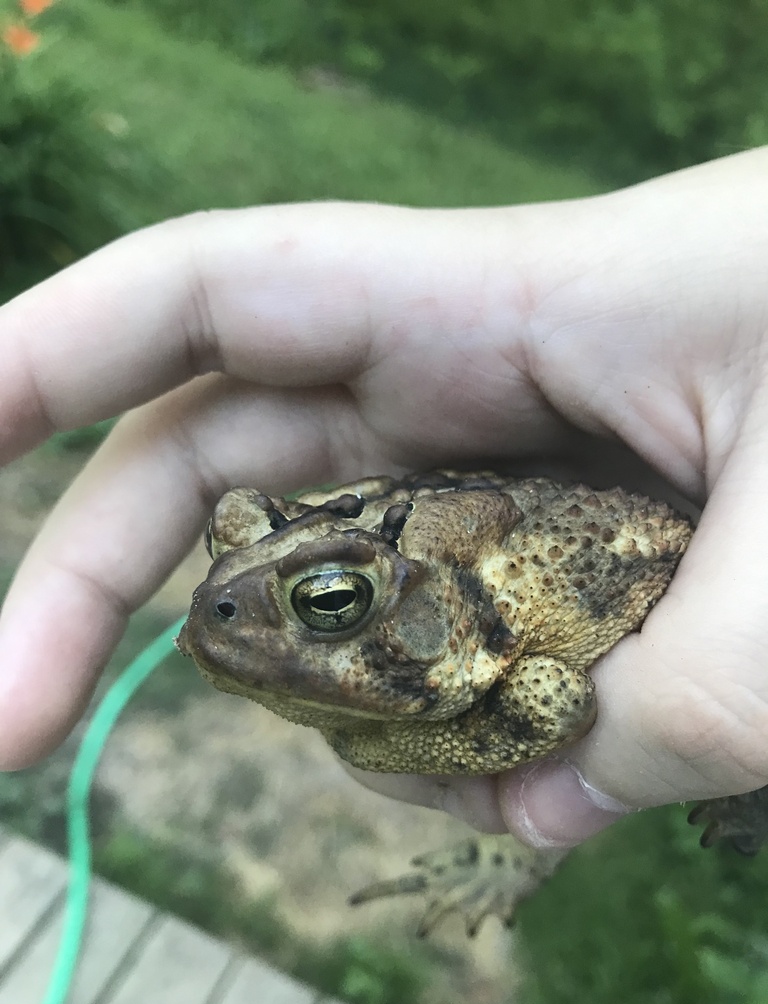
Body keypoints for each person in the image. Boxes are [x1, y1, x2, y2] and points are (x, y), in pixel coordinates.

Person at [1, 147, 767, 855]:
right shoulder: (380, 535)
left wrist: (383, 740)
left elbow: (551, 697)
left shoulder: (477, 621)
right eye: (230, 543)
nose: (220, 599)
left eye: (329, 600)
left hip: (646, 560)